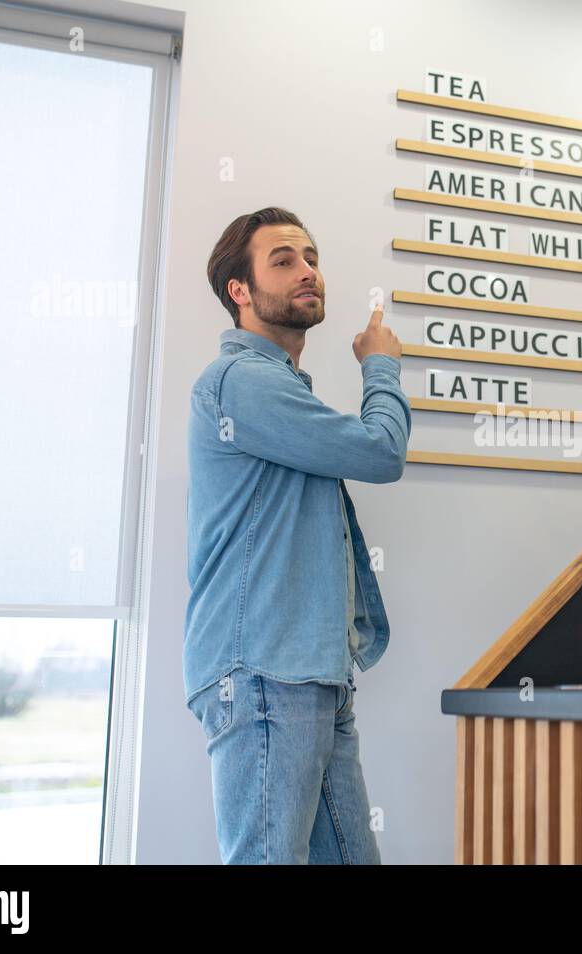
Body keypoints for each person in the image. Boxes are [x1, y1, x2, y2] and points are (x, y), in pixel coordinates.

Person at [183, 207, 409, 863]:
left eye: (310, 257)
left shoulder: (279, 391)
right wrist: (381, 366)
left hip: (309, 677)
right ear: (240, 291)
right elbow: (379, 452)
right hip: (265, 676)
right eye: (283, 260)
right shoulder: (242, 382)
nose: (307, 270)